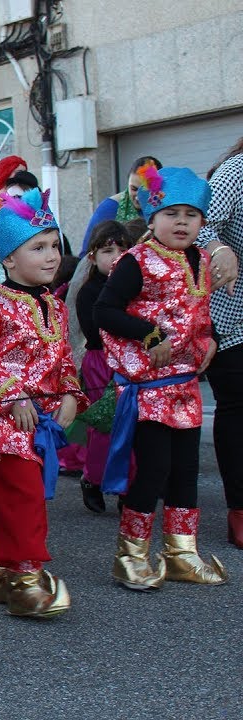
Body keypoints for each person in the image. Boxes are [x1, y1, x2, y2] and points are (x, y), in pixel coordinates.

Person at [94, 164, 227, 591]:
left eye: (191, 214)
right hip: (148, 386)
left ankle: (181, 551)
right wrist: (149, 335)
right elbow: (105, 311)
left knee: (186, 470)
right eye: (172, 213)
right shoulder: (137, 261)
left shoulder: (202, 260)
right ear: (151, 217)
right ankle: (130, 556)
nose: (182, 222)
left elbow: (200, 316)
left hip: (185, 384)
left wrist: (211, 341)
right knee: (154, 470)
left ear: (203, 221)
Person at [0, 188, 84, 618]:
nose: (51, 256)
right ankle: (26, 581)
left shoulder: (55, 307)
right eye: (38, 247)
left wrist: (70, 394)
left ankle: (10, 574)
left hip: (41, 421)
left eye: (54, 246)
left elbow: (63, 358)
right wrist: (11, 395)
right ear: (9, 259)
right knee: (20, 497)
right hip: (3, 423)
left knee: (26, 499)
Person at [65, 221, 136, 514]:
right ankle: (92, 479)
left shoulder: (137, 287)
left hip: (132, 362)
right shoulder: (88, 291)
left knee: (133, 426)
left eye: (122, 249)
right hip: (101, 362)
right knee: (103, 426)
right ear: (92, 257)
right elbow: (95, 332)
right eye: (108, 250)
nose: (116, 256)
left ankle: (127, 489)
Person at [200, 137, 243, 548]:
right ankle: (239, 509)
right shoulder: (237, 170)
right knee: (238, 406)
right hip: (232, 313)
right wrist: (219, 246)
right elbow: (199, 223)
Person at [81, 156, 162, 254]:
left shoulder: (167, 209)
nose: (138, 197)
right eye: (134, 189)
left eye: (145, 191)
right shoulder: (110, 208)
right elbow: (87, 252)